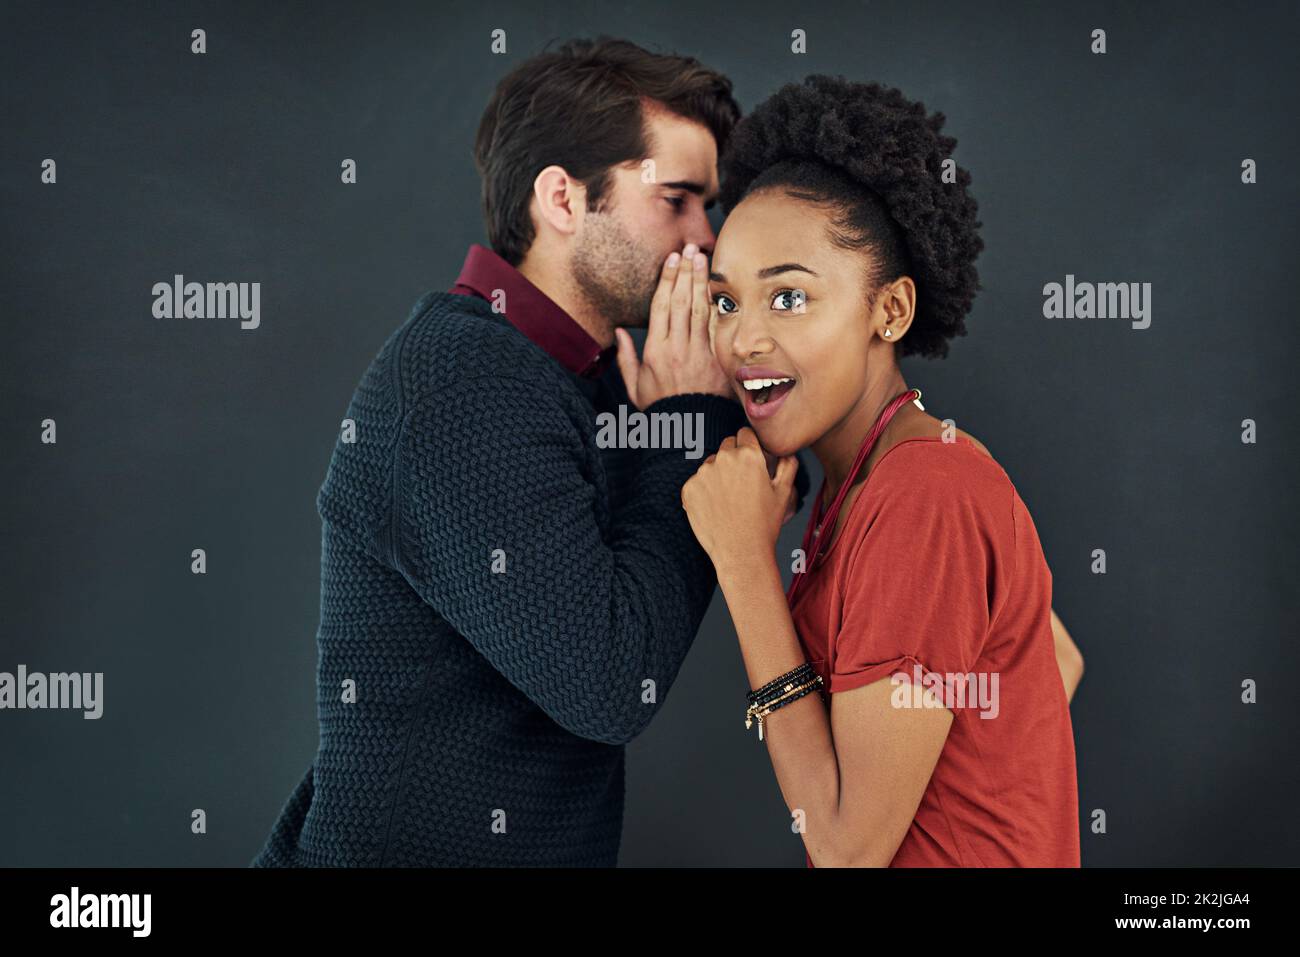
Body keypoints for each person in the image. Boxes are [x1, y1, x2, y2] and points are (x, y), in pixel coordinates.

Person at [250, 36, 804, 867]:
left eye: (709, 208)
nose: (705, 242)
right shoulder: (459, 376)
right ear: (563, 199)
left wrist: (703, 415)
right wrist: (686, 422)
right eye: (678, 201)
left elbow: (769, 478)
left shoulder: (588, 373)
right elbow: (612, 682)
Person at [679, 75, 1083, 866]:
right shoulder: (894, 472)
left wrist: (741, 559)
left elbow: (844, 846)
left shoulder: (922, 492)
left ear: (889, 312)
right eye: (725, 303)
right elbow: (1051, 659)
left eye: (788, 298)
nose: (744, 342)